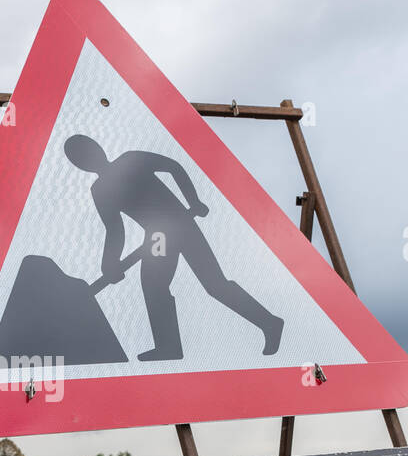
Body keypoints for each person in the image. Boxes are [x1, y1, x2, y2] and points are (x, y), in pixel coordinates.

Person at [64, 133, 284, 360]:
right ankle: (169, 346)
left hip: (180, 224)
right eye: (79, 158)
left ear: (98, 148)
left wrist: (194, 201)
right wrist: (109, 263)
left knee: (213, 284)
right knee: (156, 286)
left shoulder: (130, 160)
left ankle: (269, 323)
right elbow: (115, 229)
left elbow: (173, 167)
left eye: (85, 153)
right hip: (159, 238)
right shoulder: (99, 191)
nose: (86, 160)